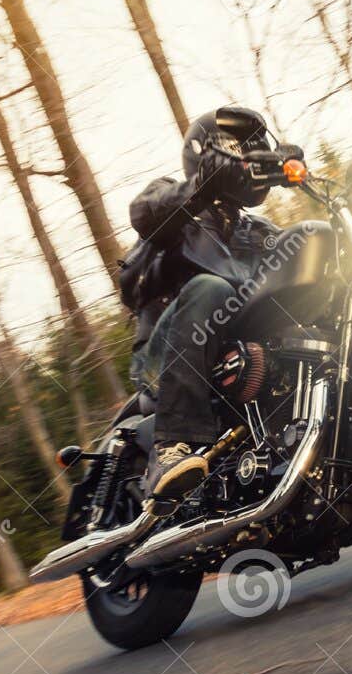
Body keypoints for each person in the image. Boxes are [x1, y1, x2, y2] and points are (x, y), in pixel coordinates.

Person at [118, 107, 279, 500]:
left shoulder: (259, 232)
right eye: (240, 150)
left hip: (226, 352)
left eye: (257, 149)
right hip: (161, 357)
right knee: (211, 288)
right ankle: (169, 449)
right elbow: (146, 212)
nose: (250, 157)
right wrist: (201, 186)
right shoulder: (177, 207)